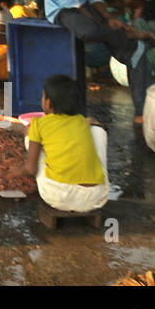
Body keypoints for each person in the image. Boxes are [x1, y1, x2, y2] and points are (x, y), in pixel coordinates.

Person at [21, 75, 109, 214]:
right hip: (96, 198)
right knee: (97, 131)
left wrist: (16, 171)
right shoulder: (81, 120)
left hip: (58, 196)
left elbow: (31, 170)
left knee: (32, 136)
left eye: (43, 97)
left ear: (48, 103)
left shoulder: (38, 124)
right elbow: (87, 124)